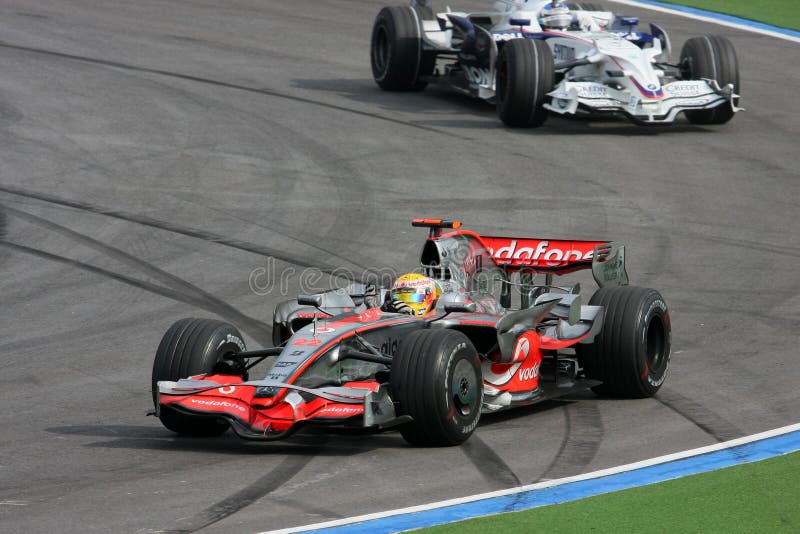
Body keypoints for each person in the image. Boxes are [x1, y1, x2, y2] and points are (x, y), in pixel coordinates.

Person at [365, 273, 443, 316]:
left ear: (429, 297)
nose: (402, 304)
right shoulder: (390, 307)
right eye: (399, 298)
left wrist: (412, 316)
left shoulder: (442, 317)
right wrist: (373, 310)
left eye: (413, 298)